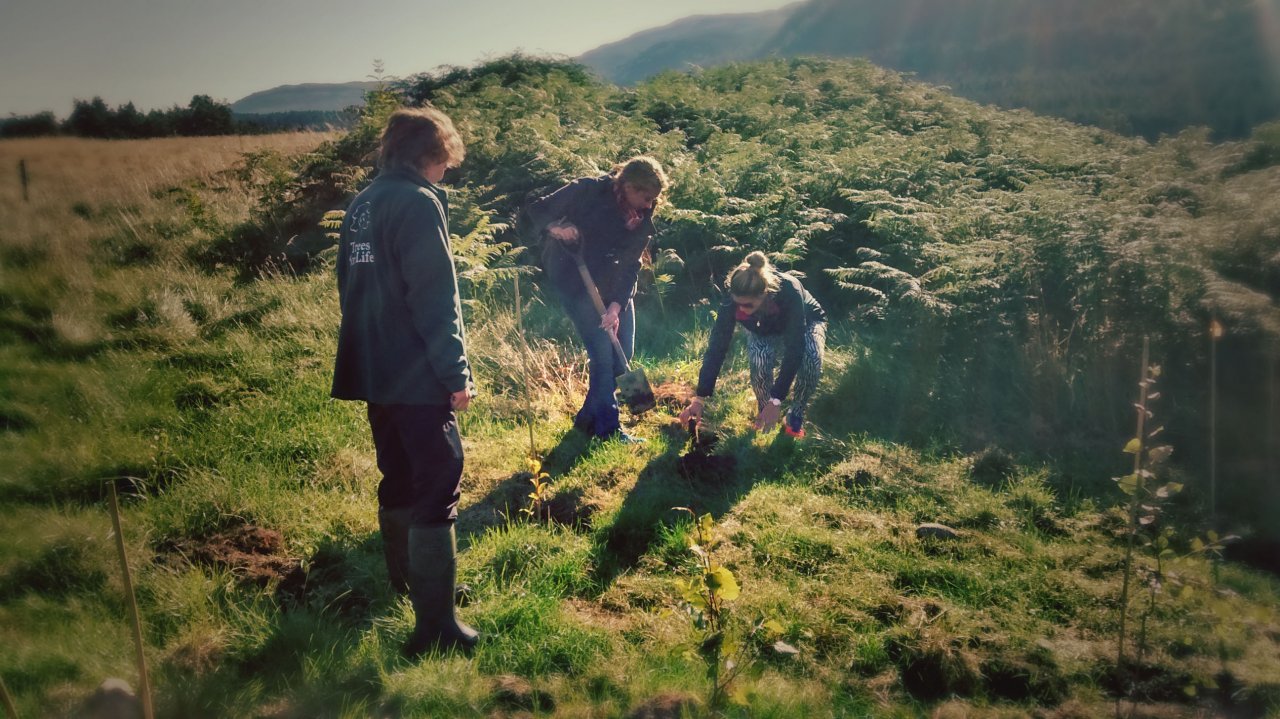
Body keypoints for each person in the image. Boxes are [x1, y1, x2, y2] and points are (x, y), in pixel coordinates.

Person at [331, 106, 478, 657]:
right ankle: (437, 627)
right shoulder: (418, 202)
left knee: (397, 474)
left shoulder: (363, 202)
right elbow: (435, 297)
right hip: (416, 372)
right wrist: (455, 373)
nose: (447, 170)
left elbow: (346, 282)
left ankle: (412, 590)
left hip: (374, 367)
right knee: (439, 476)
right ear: (431, 153)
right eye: (445, 159)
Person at [527, 156, 668, 443]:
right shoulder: (588, 190)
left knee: (622, 353)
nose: (649, 205)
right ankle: (608, 429)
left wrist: (616, 305)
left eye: (654, 199)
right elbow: (534, 211)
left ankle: (587, 418)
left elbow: (632, 263)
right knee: (603, 356)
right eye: (646, 197)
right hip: (576, 279)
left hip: (615, 284)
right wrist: (554, 228)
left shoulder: (642, 214)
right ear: (628, 186)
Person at [678, 251, 827, 438]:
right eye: (738, 304)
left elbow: (795, 348)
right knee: (759, 359)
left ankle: (795, 413)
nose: (741, 309)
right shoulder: (734, 299)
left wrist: (777, 399)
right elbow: (717, 345)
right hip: (764, 327)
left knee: (811, 358)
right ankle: (765, 412)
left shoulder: (790, 290)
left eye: (747, 305)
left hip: (806, 322)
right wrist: (700, 397)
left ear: (764, 294)